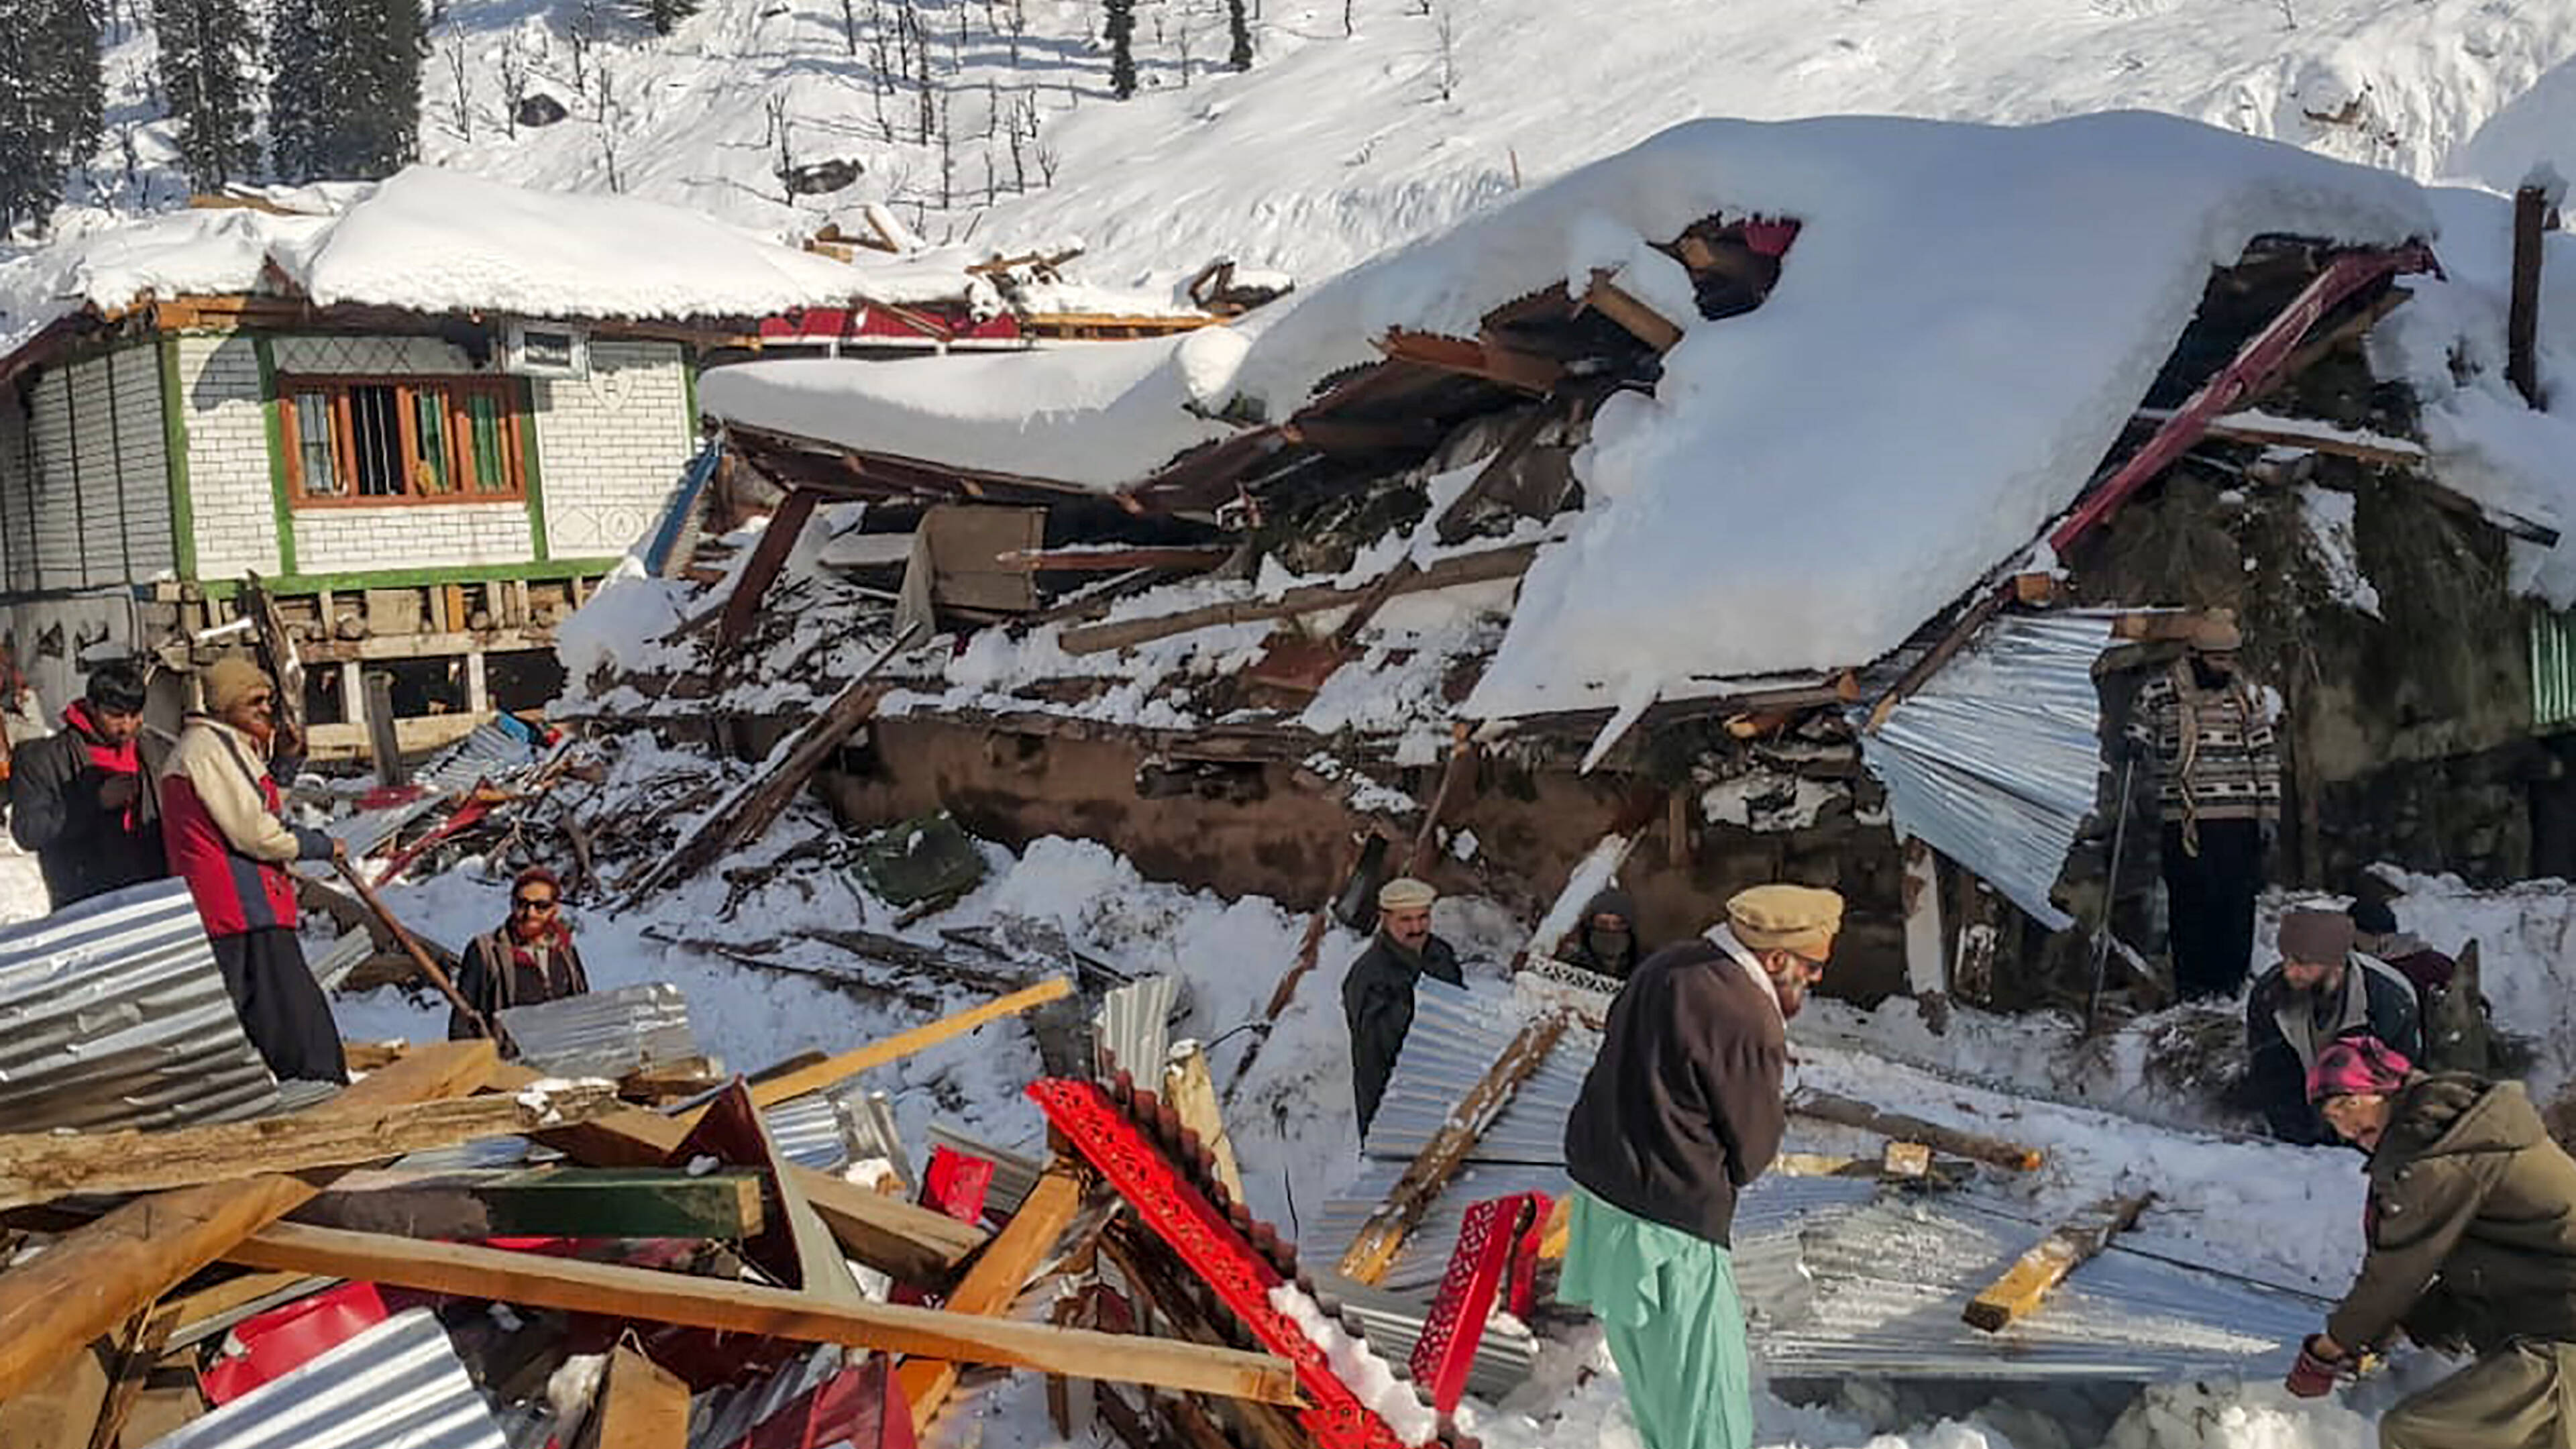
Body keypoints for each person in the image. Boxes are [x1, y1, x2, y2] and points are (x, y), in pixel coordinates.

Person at [1559, 883, 1843, 1449]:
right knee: (1706, 1404)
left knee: (1655, 1392)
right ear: (1777, 957)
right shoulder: (1745, 1013)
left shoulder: (1666, 965)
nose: (1815, 980)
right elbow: (1752, 1151)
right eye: (1812, 967)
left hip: (1604, 1200)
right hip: (1673, 1225)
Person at [2284, 1036, 2576, 1449]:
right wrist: (2402, 1328)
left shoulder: (2437, 1156)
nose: (2347, 1127)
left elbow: (2396, 1272)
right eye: (2333, 1118)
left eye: (2349, 1103)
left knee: (2414, 1432)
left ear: (2386, 1088)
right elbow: (2481, 1272)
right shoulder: (2460, 1135)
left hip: (2562, 1338)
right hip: (2553, 1326)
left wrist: (2328, 1351)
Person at [160, 655, 347, 1083]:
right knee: (291, 1013)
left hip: (246, 906)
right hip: (240, 906)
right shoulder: (207, 750)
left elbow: (260, 809)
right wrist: (317, 845)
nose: (266, 709)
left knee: (264, 1010)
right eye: (255, 701)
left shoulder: (228, 747)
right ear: (226, 705)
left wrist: (283, 764)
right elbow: (254, 832)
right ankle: (318, 1090)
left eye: (268, 700)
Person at [2125, 612, 2282, 999]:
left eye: (2230, 658)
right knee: (2191, 902)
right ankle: (2193, 986)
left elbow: (2264, 756)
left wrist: (2269, 813)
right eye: (2217, 660)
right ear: (2195, 655)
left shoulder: (2247, 695)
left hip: (2238, 818)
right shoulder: (2159, 693)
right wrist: (2134, 744)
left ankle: (2231, 984)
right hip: (2186, 820)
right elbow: (2138, 730)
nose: (2225, 667)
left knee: (2236, 902)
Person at [2246, 907, 2420, 1144]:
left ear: (2335, 966)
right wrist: (2300, 1141)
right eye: (2287, 960)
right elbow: (2272, 1075)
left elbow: (2398, 1083)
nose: (2290, 972)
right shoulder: (2270, 994)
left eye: (2304, 964)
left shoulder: (2388, 1001)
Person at [9, 659, 172, 908]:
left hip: (156, 890)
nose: (126, 726)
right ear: (92, 707)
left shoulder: (157, 750)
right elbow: (29, 832)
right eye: (115, 716)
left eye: (135, 715)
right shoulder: (42, 759)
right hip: (87, 899)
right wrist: (95, 802)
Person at [1341, 876, 1464, 1136]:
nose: (1417, 928)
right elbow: (1378, 1047)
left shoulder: (1440, 955)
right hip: (1393, 1104)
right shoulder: (1368, 976)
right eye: (1405, 920)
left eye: (1423, 918)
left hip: (1445, 1092)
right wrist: (1420, 1004)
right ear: (1385, 919)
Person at [449, 865, 592, 1039]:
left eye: (541, 906)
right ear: (512, 904)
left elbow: (584, 1007)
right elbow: (463, 1022)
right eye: (522, 904)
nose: (530, 913)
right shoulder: (486, 951)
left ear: (555, 909)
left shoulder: (566, 950)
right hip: (506, 1062)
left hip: (560, 1055)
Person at [1557, 886, 1644, 981]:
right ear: (1590, 926)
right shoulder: (1568, 970)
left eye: (1619, 924)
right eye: (1603, 923)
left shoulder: (1643, 974)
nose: (1611, 929)